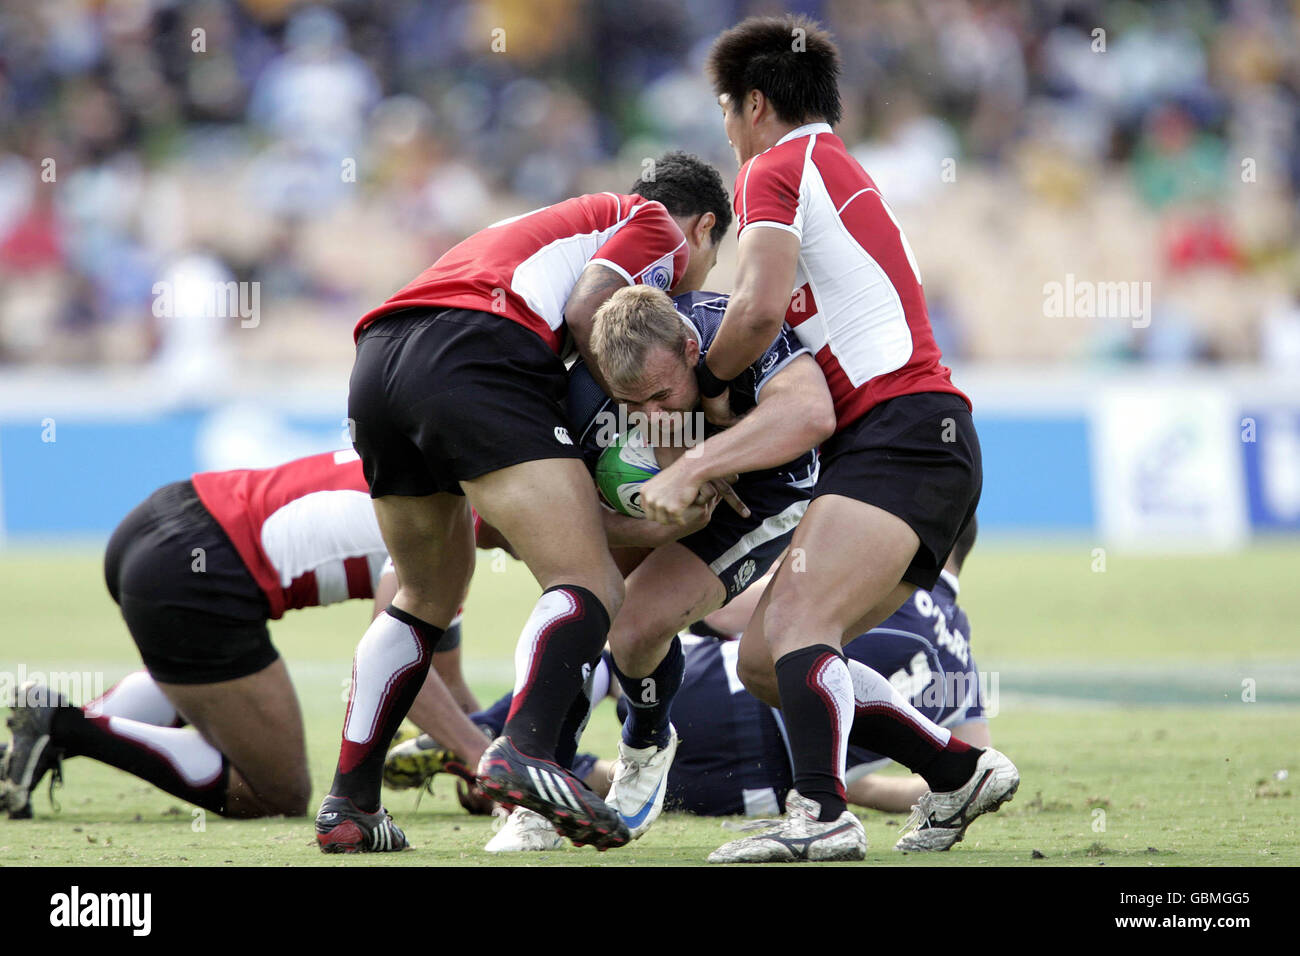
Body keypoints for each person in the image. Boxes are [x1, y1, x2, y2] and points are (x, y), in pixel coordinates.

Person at [639, 15, 1018, 862]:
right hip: (918, 441)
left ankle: (822, 814)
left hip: (903, 434)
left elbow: (757, 306)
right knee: (768, 658)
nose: (726, 131)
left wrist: (705, 394)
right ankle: (955, 772)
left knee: (800, 619)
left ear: (755, 104)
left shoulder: (777, 167)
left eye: (726, 111)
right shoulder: (834, 169)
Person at [315, 152, 733, 852]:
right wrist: (660, 427)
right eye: (713, 260)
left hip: (381, 359)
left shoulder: (543, 228)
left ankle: (349, 805)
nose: (701, 283)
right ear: (705, 229)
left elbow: (506, 525)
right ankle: (528, 750)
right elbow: (587, 309)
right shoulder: (654, 224)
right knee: (591, 579)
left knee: (424, 595)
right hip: (477, 348)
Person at [385, 284, 835, 850]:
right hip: (654, 511)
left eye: (662, 395)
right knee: (576, 608)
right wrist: (645, 526)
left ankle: (646, 744)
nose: (650, 415)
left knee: (634, 627)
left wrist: (692, 465)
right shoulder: (580, 397)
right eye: (631, 402)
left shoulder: (727, 328)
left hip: (764, 494)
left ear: (691, 351)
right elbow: (498, 527)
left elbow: (811, 413)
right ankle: (542, 790)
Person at [0, 450, 481, 821]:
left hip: (165, 527)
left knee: (211, 684)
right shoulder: (441, 519)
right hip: (196, 563)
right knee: (278, 791)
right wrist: (485, 762)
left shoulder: (432, 476)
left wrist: (481, 746)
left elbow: (444, 683)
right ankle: (65, 726)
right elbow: (393, 659)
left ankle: (41, 742)